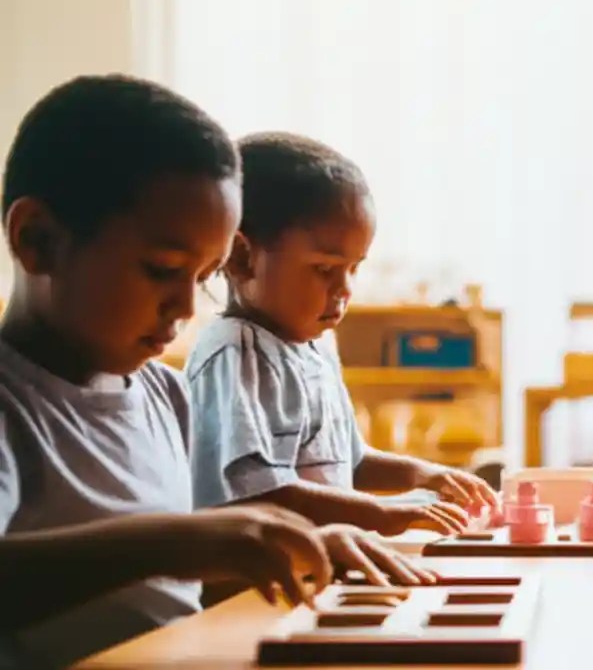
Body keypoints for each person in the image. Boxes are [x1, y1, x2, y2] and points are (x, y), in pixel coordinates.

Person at [0, 75, 331, 668]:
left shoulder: (164, 394)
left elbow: (166, 597)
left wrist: (296, 550)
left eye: (202, 277)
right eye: (160, 269)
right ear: (39, 241)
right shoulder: (11, 402)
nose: (185, 308)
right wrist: (176, 542)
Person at [186, 132, 498, 585]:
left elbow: (350, 462)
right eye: (324, 269)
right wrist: (383, 513)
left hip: (320, 569)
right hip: (255, 586)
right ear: (242, 257)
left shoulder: (316, 347)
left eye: (355, 268)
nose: (345, 289)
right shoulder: (234, 352)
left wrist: (424, 474)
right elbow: (261, 493)